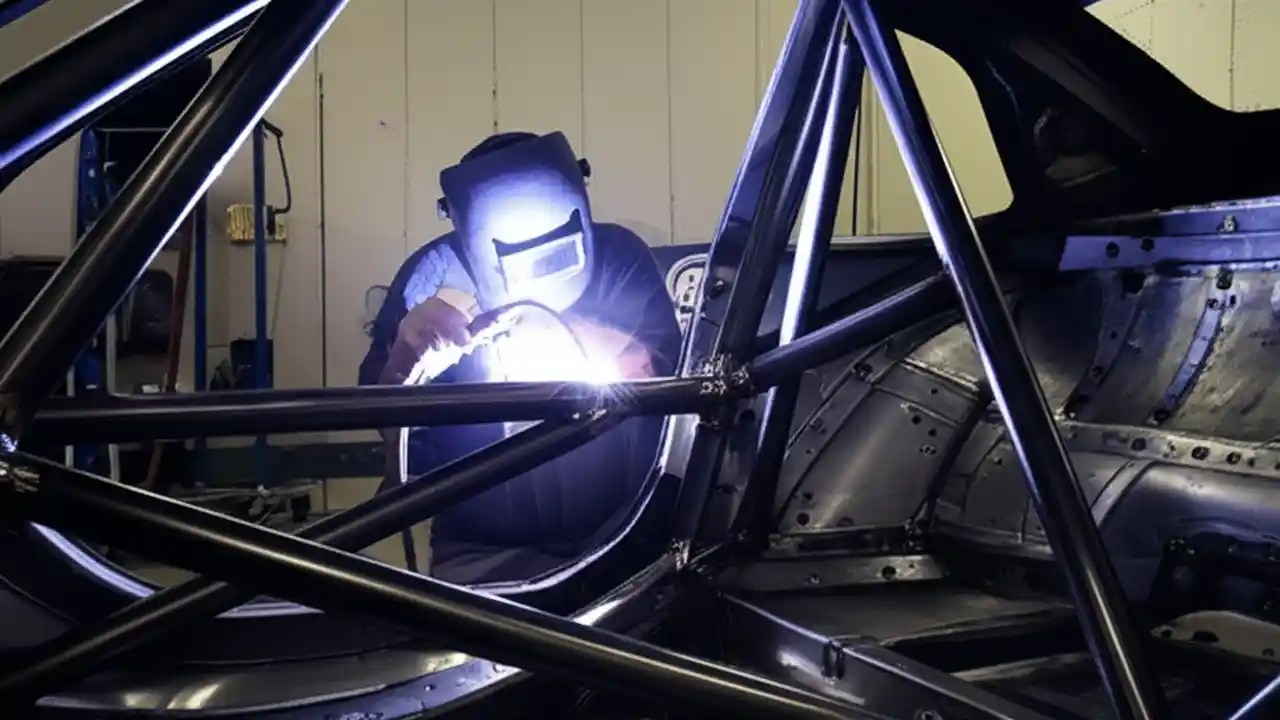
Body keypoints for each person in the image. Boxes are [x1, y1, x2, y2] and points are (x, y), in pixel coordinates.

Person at [359, 131, 682, 585]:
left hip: (624, 531)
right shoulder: (429, 281)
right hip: (483, 551)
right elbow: (389, 427)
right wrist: (404, 363)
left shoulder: (618, 258)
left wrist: (568, 334)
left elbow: (669, 383)